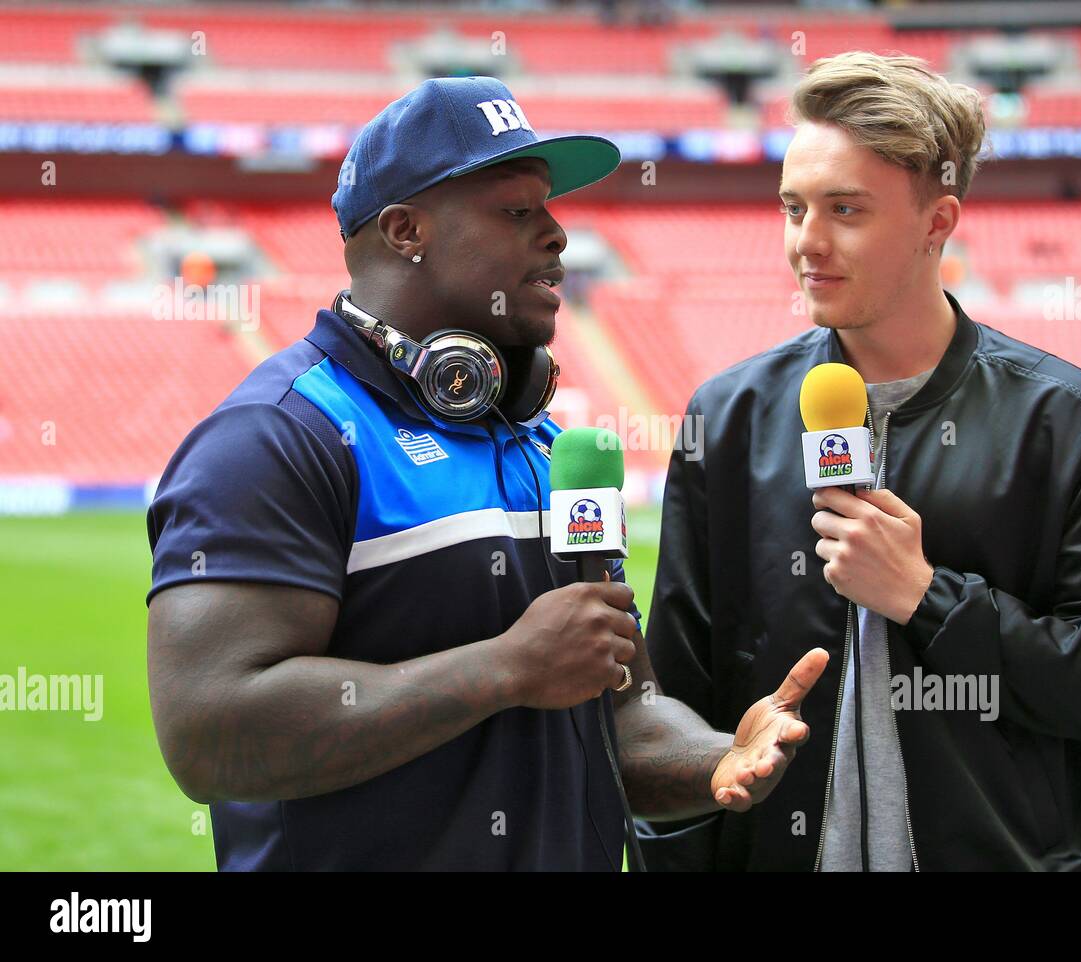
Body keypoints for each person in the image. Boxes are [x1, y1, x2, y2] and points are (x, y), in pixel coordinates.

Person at [145, 77, 827, 871]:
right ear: (406, 230)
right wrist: (505, 669)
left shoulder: (546, 445)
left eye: (549, 208)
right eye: (516, 211)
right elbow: (209, 733)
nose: (558, 235)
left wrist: (716, 759)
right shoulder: (275, 436)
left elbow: (627, 718)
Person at [639, 52, 1081, 871]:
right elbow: (672, 703)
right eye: (793, 208)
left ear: (937, 221)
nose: (806, 243)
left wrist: (930, 598)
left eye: (845, 209)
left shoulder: (1065, 420)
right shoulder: (729, 416)